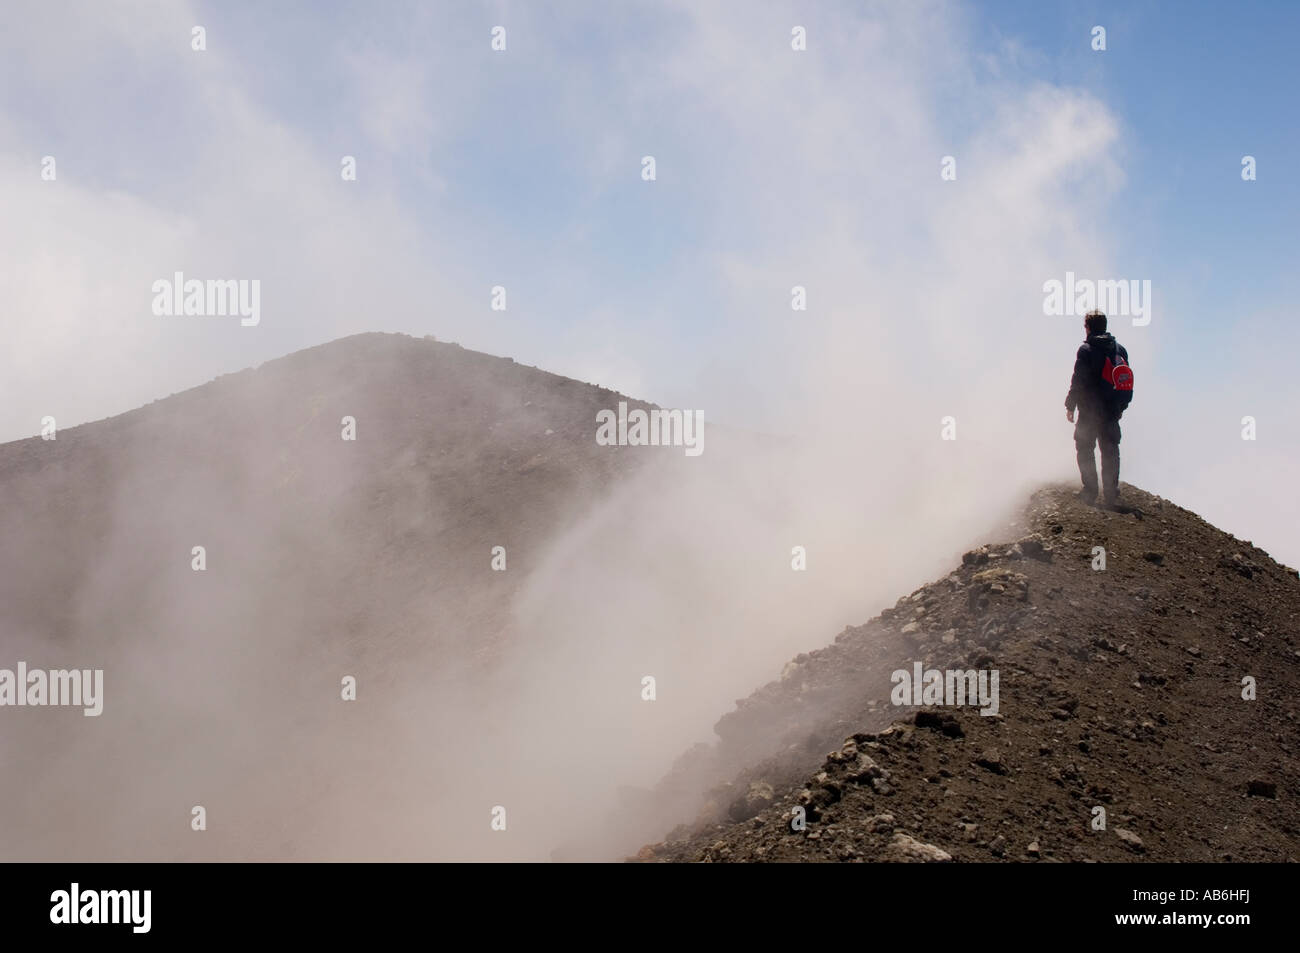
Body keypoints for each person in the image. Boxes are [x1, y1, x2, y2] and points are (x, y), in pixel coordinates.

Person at [1065, 310, 1131, 506]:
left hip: (1089, 411)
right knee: (1110, 450)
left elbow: (1078, 381)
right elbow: (1125, 381)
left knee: (1085, 448)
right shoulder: (1120, 350)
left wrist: (1070, 405)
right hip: (1112, 411)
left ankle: (1090, 491)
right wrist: (1121, 406)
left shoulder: (1086, 350)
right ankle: (1111, 495)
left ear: (1088, 327)